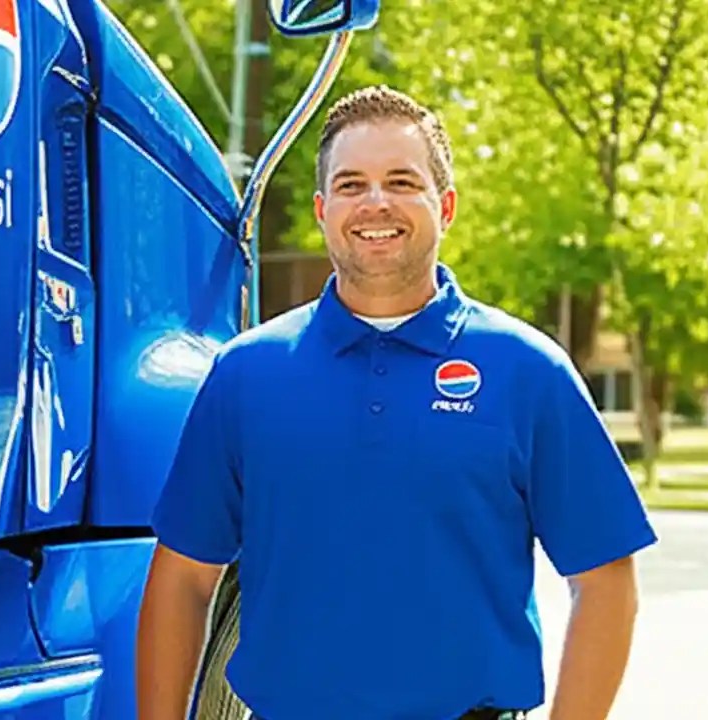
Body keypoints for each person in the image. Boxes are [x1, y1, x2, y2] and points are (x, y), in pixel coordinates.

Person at [136, 85, 657, 720]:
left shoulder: (528, 370)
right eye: (351, 185)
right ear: (323, 210)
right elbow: (183, 579)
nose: (375, 202)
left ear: (446, 205)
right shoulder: (246, 373)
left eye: (402, 182)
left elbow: (605, 580)